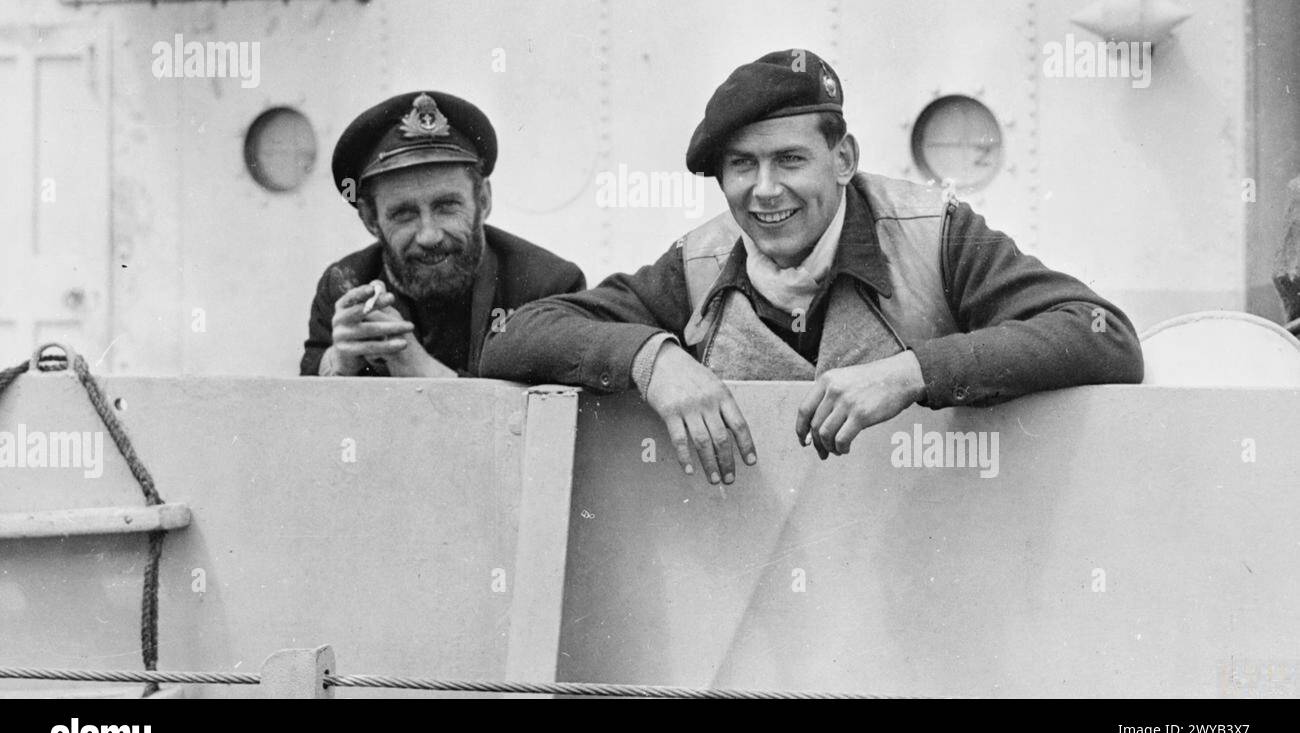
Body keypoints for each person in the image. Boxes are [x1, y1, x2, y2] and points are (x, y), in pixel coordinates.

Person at [479, 50, 1144, 482]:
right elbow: (514, 337)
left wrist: (913, 374)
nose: (764, 190)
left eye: (790, 160)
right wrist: (654, 361)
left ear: (844, 159)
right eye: (742, 165)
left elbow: (1099, 332)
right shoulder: (698, 263)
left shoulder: (935, 234)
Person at [301, 90, 586, 377]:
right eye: (404, 214)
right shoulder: (344, 283)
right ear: (370, 219)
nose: (429, 236)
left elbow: (548, 413)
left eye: (447, 206)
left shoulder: (547, 285)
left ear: (483, 201)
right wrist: (341, 360)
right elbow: (308, 398)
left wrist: (418, 367)